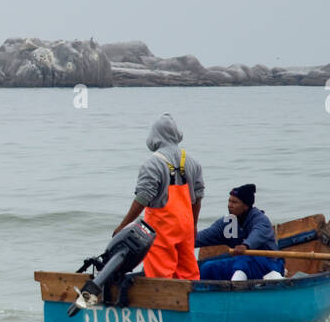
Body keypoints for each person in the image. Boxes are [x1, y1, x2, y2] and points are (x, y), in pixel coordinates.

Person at [113, 114, 204, 280]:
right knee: (188, 271)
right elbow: (198, 196)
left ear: (154, 135)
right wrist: (194, 225)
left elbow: (143, 198)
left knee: (160, 275)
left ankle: (163, 303)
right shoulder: (192, 161)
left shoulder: (153, 163)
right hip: (186, 225)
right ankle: (191, 301)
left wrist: (123, 226)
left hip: (162, 228)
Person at [195, 184, 284, 281]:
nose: (229, 205)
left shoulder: (260, 220)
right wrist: (181, 242)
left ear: (245, 206)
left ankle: (236, 289)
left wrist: (246, 245)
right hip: (240, 265)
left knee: (243, 259)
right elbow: (205, 236)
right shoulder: (228, 223)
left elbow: (257, 234)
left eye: (234, 202)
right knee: (208, 268)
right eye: (229, 201)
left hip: (269, 264)